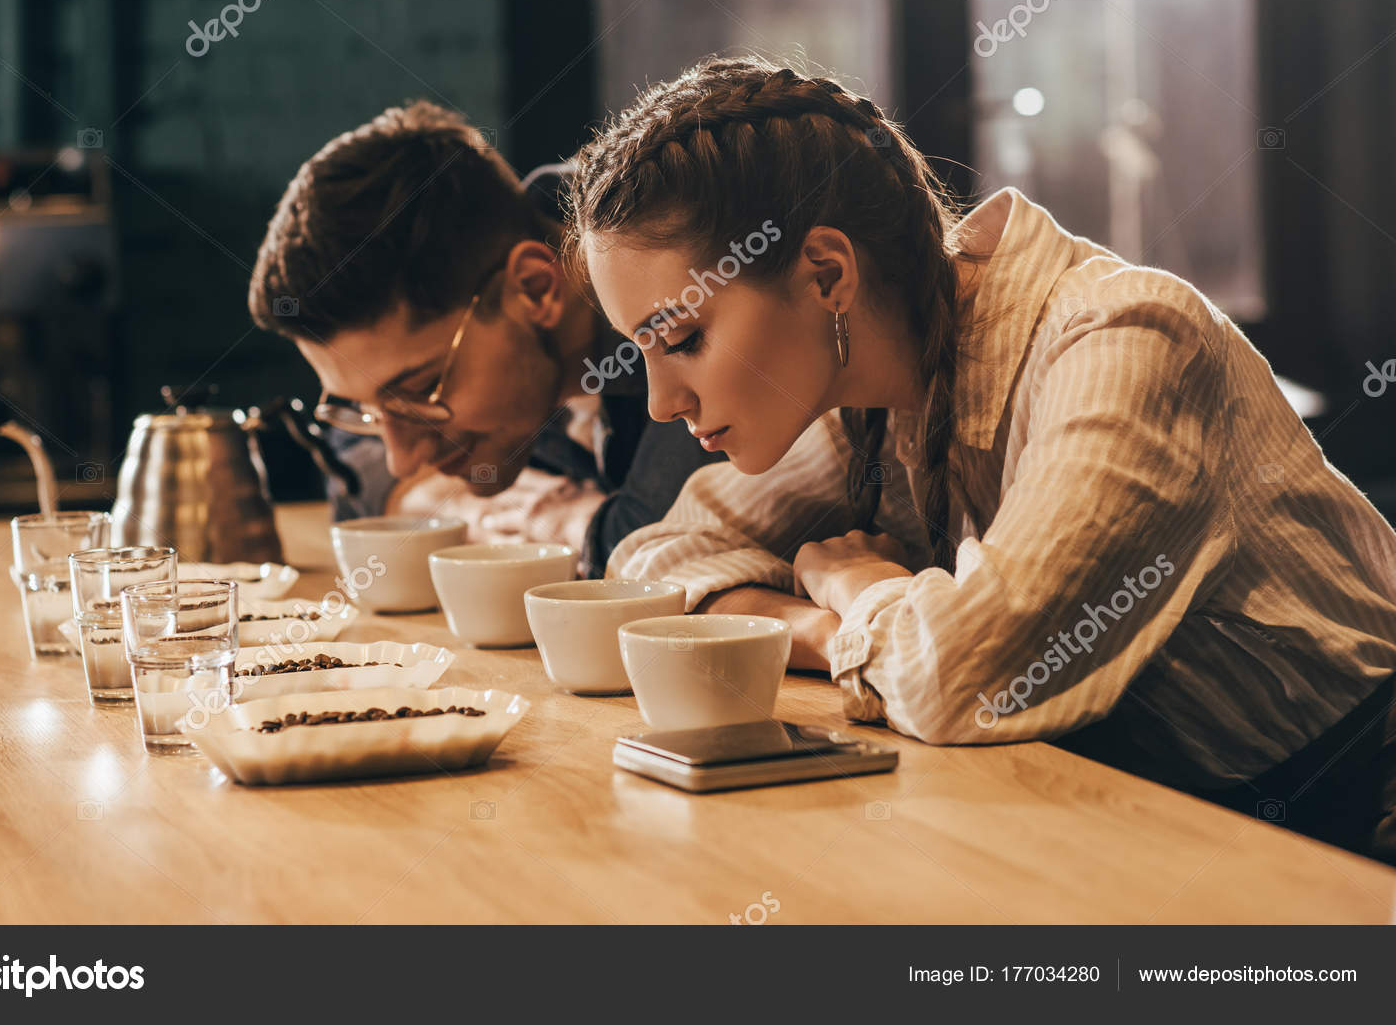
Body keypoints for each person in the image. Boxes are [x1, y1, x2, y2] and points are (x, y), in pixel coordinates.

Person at [569, 55, 1396, 860]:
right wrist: (824, 625)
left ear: (826, 273)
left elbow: (957, 678)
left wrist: (857, 583)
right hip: (1163, 824)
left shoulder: (1131, 341)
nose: (660, 403)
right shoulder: (861, 388)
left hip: (1351, 830)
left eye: (683, 339)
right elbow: (653, 563)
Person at [248, 100, 722, 576]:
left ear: (535, 289)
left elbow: (652, 546)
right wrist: (529, 513)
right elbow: (356, 475)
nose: (402, 459)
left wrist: (548, 515)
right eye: (367, 410)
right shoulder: (499, 245)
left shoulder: (678, 266)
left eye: (420, 391)